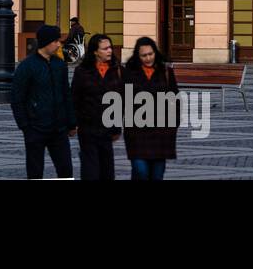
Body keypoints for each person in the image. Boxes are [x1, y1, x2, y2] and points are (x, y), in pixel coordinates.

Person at [10, 24, 76, 179]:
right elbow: (17, 99)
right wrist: (25, 126)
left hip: (59, 129)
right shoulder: (27, 66)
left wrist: (72, 123)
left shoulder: (60, 64)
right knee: (35, 172)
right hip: (36, 128)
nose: (59, 44)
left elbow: (66, 95)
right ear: (46, 42)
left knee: (66, 170)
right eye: (56, 41)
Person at [122, 37, 179, 181]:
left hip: (161, 133)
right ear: (138, 56)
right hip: (137, 132)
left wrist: (172, 126)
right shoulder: (129, 73)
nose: (148, 58)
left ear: (155, 53)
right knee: (141, 171)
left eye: (150, 54)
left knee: (157, 175)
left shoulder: (165, 72)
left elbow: (175, 101)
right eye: (144, 55)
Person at [71, 34, 122, 181]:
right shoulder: (82, 71)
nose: (110, 51)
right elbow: (74, 98)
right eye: (105, 48)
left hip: (108, 129)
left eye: (110, 47)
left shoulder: (116, 70)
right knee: (90, 171)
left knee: (107, 171)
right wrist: (73, 123)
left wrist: (117, 127)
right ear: (95, 51)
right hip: (88, 129)